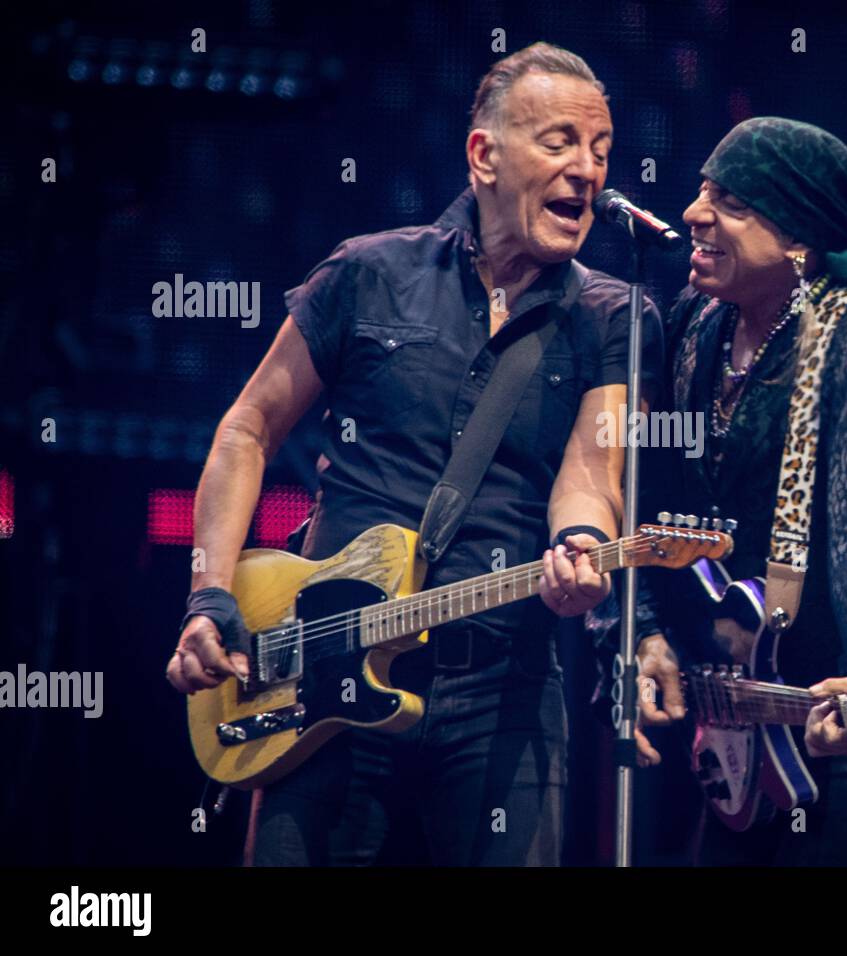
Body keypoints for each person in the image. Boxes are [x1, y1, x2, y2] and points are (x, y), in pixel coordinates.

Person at [165, 42, 663, 866]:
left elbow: (591, 474)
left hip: (501, 689)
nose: (587, 171)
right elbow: (247, 430)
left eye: (601, 152)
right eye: (560, 143)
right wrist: (209, 592)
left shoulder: (615, 317)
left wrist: (580, 547)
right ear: (484, 155)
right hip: (318, 673)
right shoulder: (369, 274)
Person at [590, 117, 847, 865]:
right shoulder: (701, 322)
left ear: (801, 238)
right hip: (741, 704)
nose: (694, 213)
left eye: (732, 201)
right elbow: (654, 498)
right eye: (704, 190)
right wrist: (642, 631)